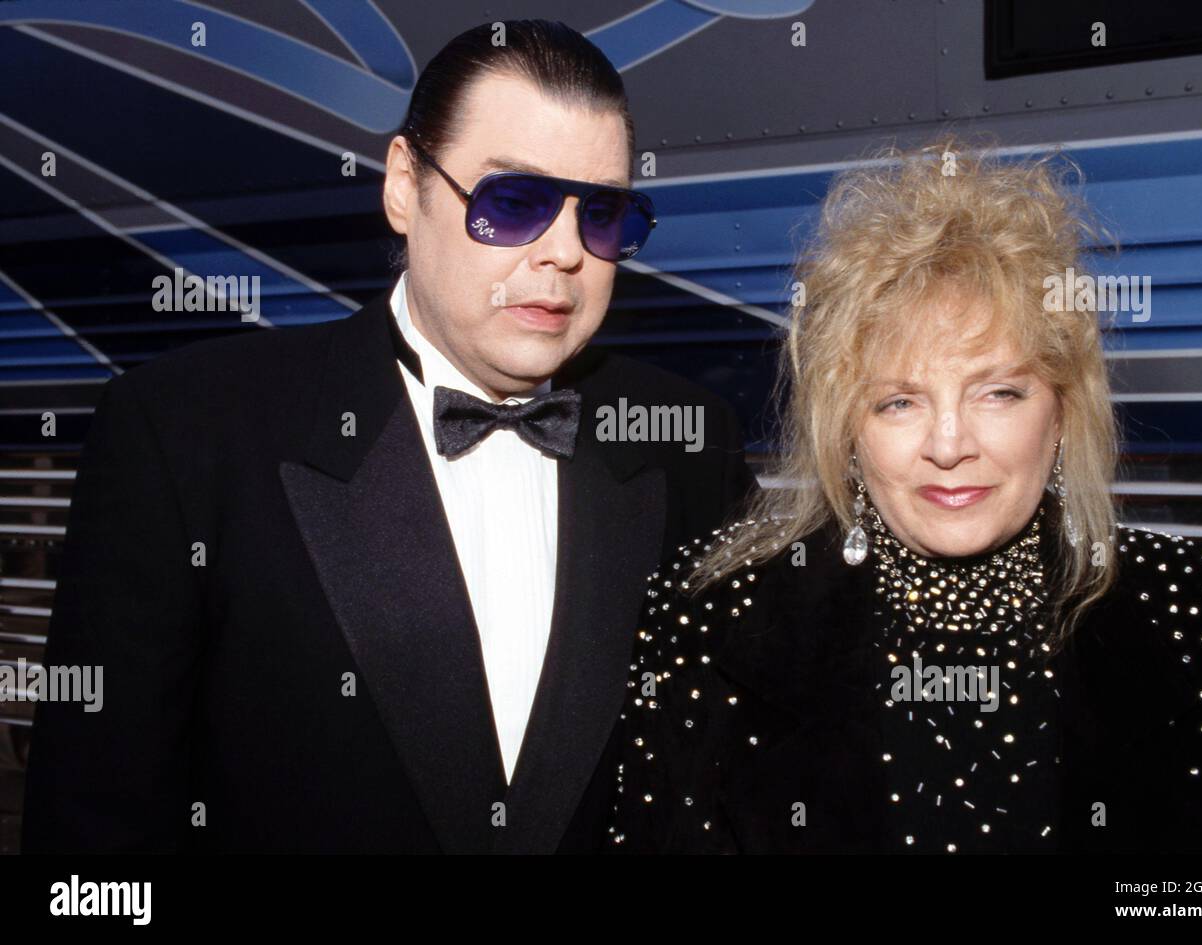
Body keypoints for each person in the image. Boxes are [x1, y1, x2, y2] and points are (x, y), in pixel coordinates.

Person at [22, 20, 753, 854]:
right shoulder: (186, 432)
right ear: (404, 186)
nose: (561, 254)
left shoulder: (689, 442)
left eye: (602, 214)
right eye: (513, 202)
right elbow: (88, 841)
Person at [609, 141, 1202, 853]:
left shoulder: (1198, 616)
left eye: (998, 392)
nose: (949, 445)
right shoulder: (711, 622)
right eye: (899, 401)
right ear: (847, 429)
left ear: (1060, 411)